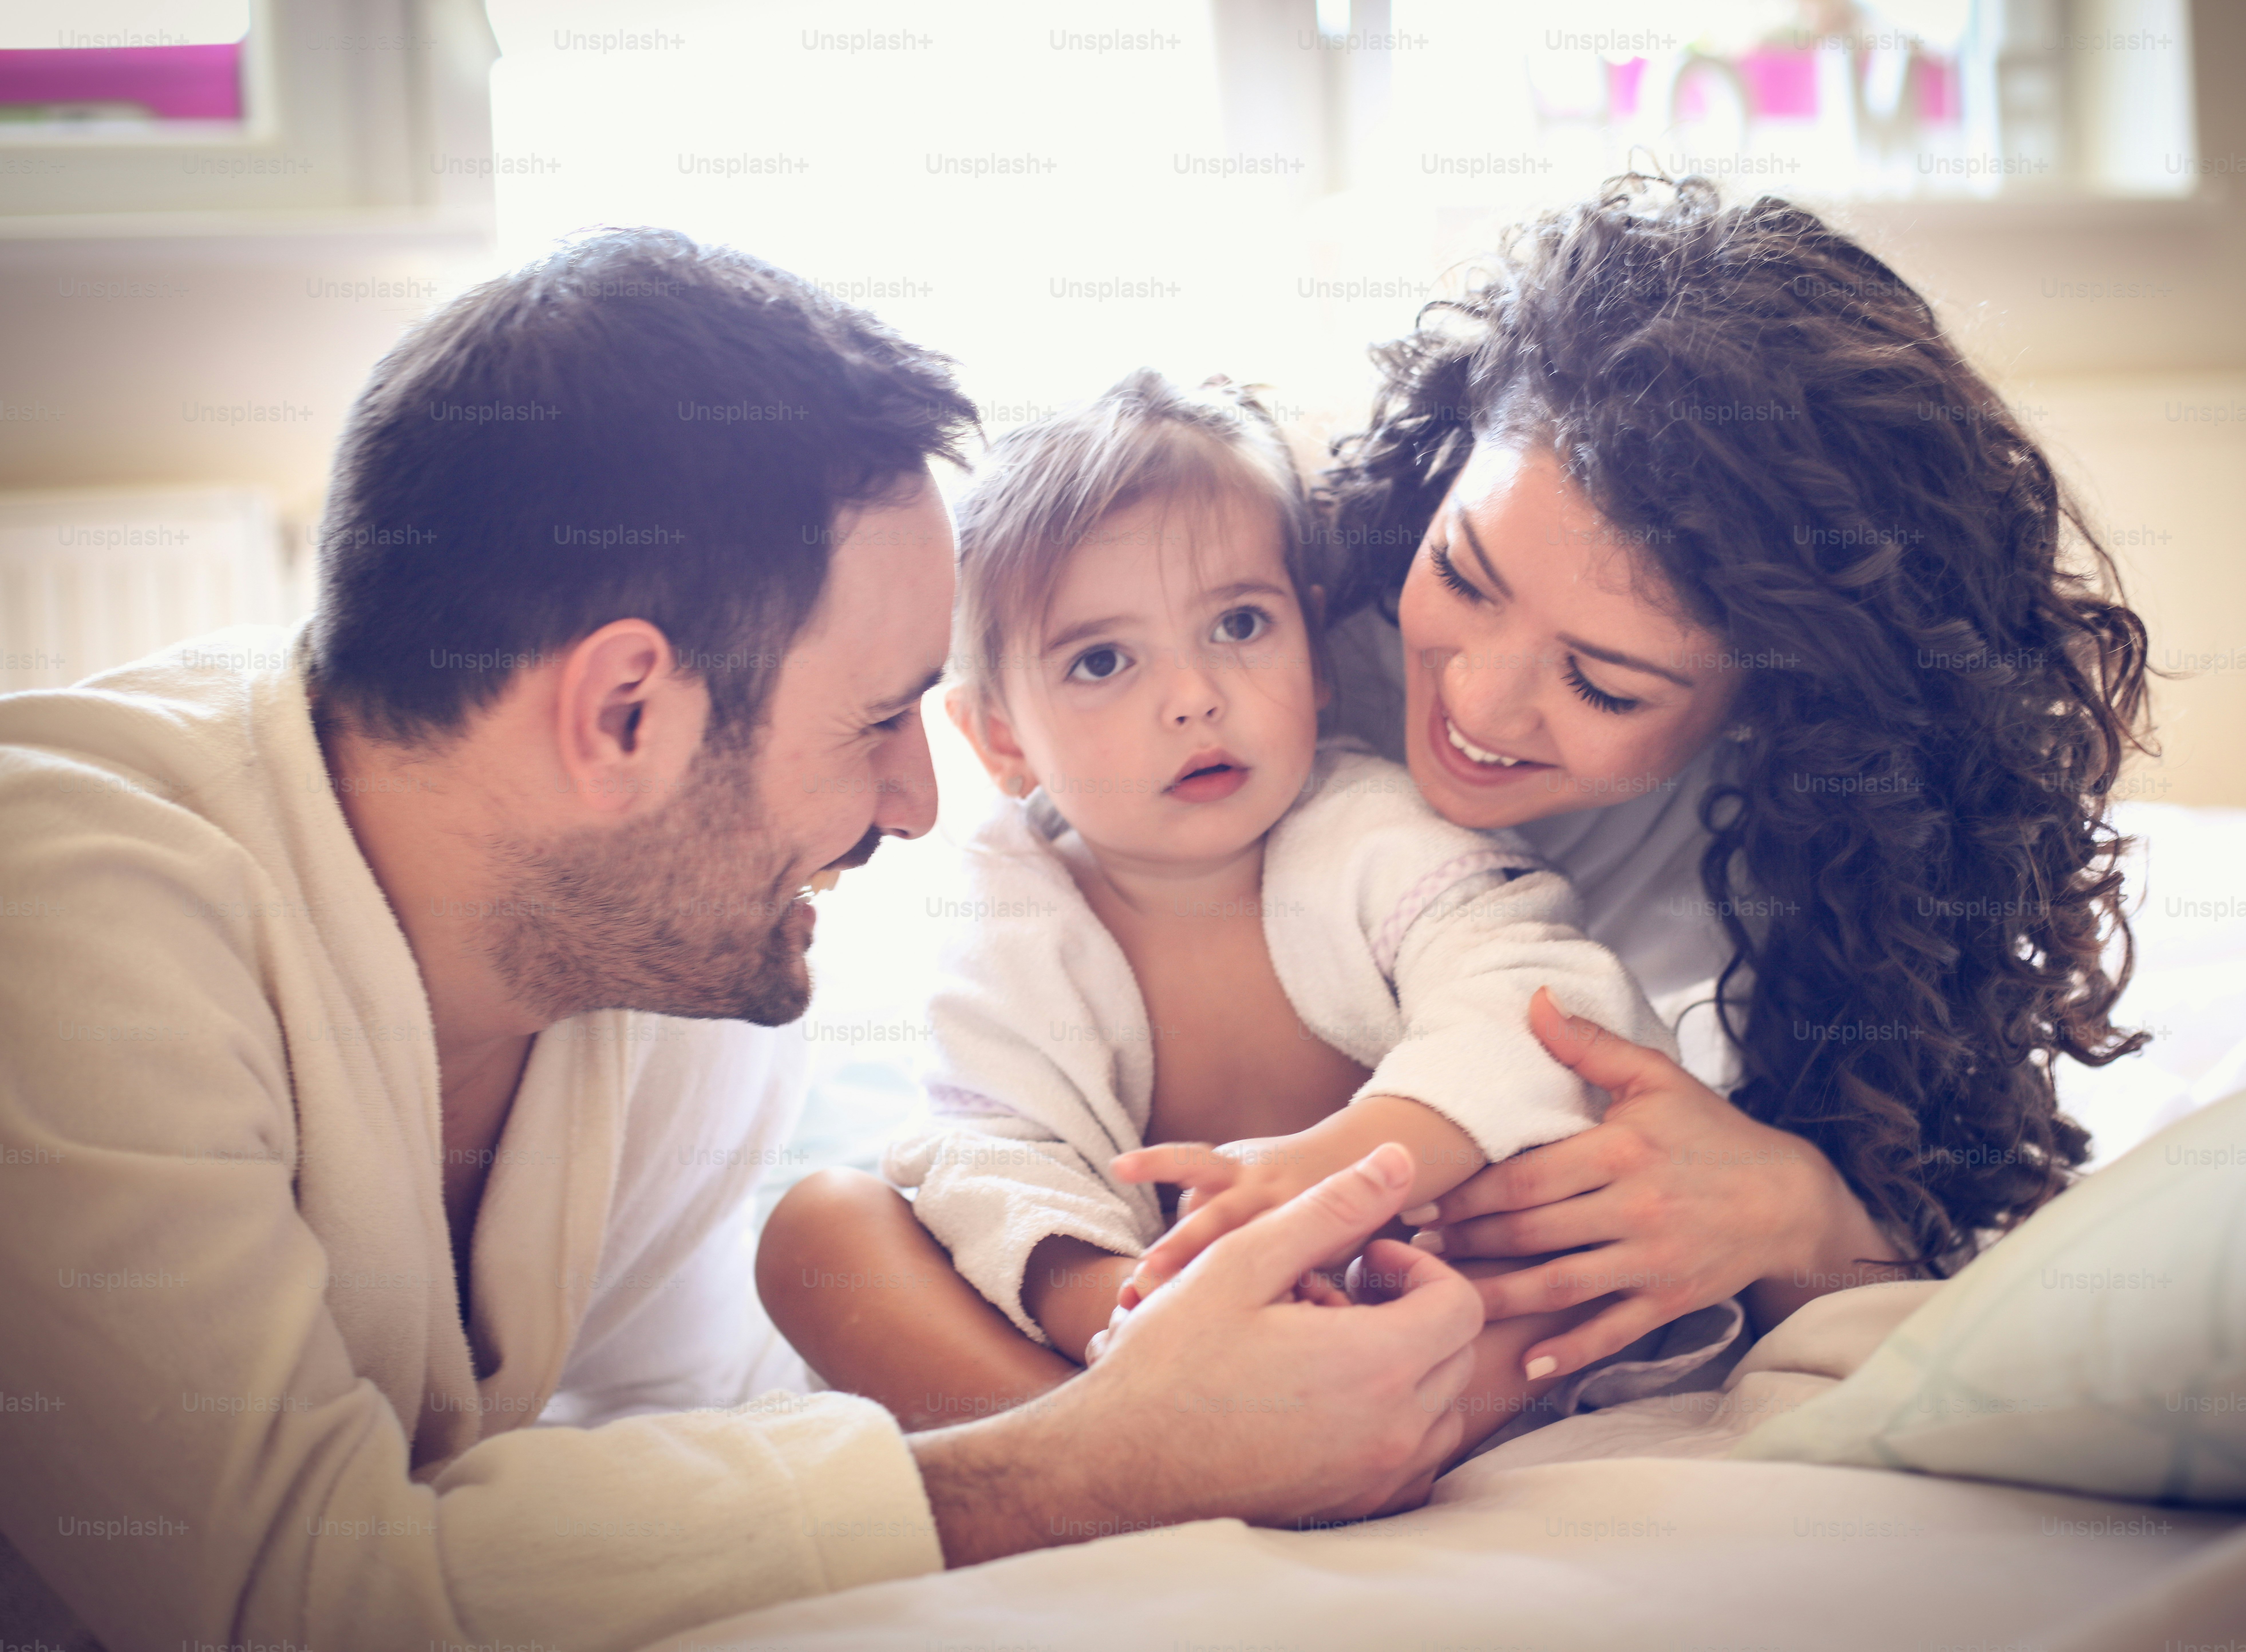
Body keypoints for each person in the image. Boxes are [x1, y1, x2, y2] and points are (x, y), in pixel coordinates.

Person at [0, 232, 1481, 1652]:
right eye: (876, 721)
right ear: (622, 715)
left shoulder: (674, 978)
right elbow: (282, 1603)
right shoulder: (64, 922)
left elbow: (681, 1472)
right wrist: (1108, 1458)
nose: (917, 804)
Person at [1309, 173, 2159, 1382]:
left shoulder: (1826, 843)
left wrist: (1793, 1213)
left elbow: (1924, 1300)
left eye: (1603, 684)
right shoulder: (1251, 641)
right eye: (1460, 572)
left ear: (1773, 705)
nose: (1476, 703)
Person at [756, 369, 1698, 1453]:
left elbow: (1548, 1005)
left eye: (1239, 625)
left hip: (1413, 1297)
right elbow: (998, 1153)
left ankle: (1369, 1429)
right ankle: (1118, 1444)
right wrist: (1127, 1300)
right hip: (1149, 1327)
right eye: (1101, 661)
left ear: (1315, 651)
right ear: (1002, 739)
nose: (1194, 696)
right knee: (823, 1231)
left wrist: (1335, 1163)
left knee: (1571, 1210)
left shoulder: (1377, 837)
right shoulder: (1011, 919)